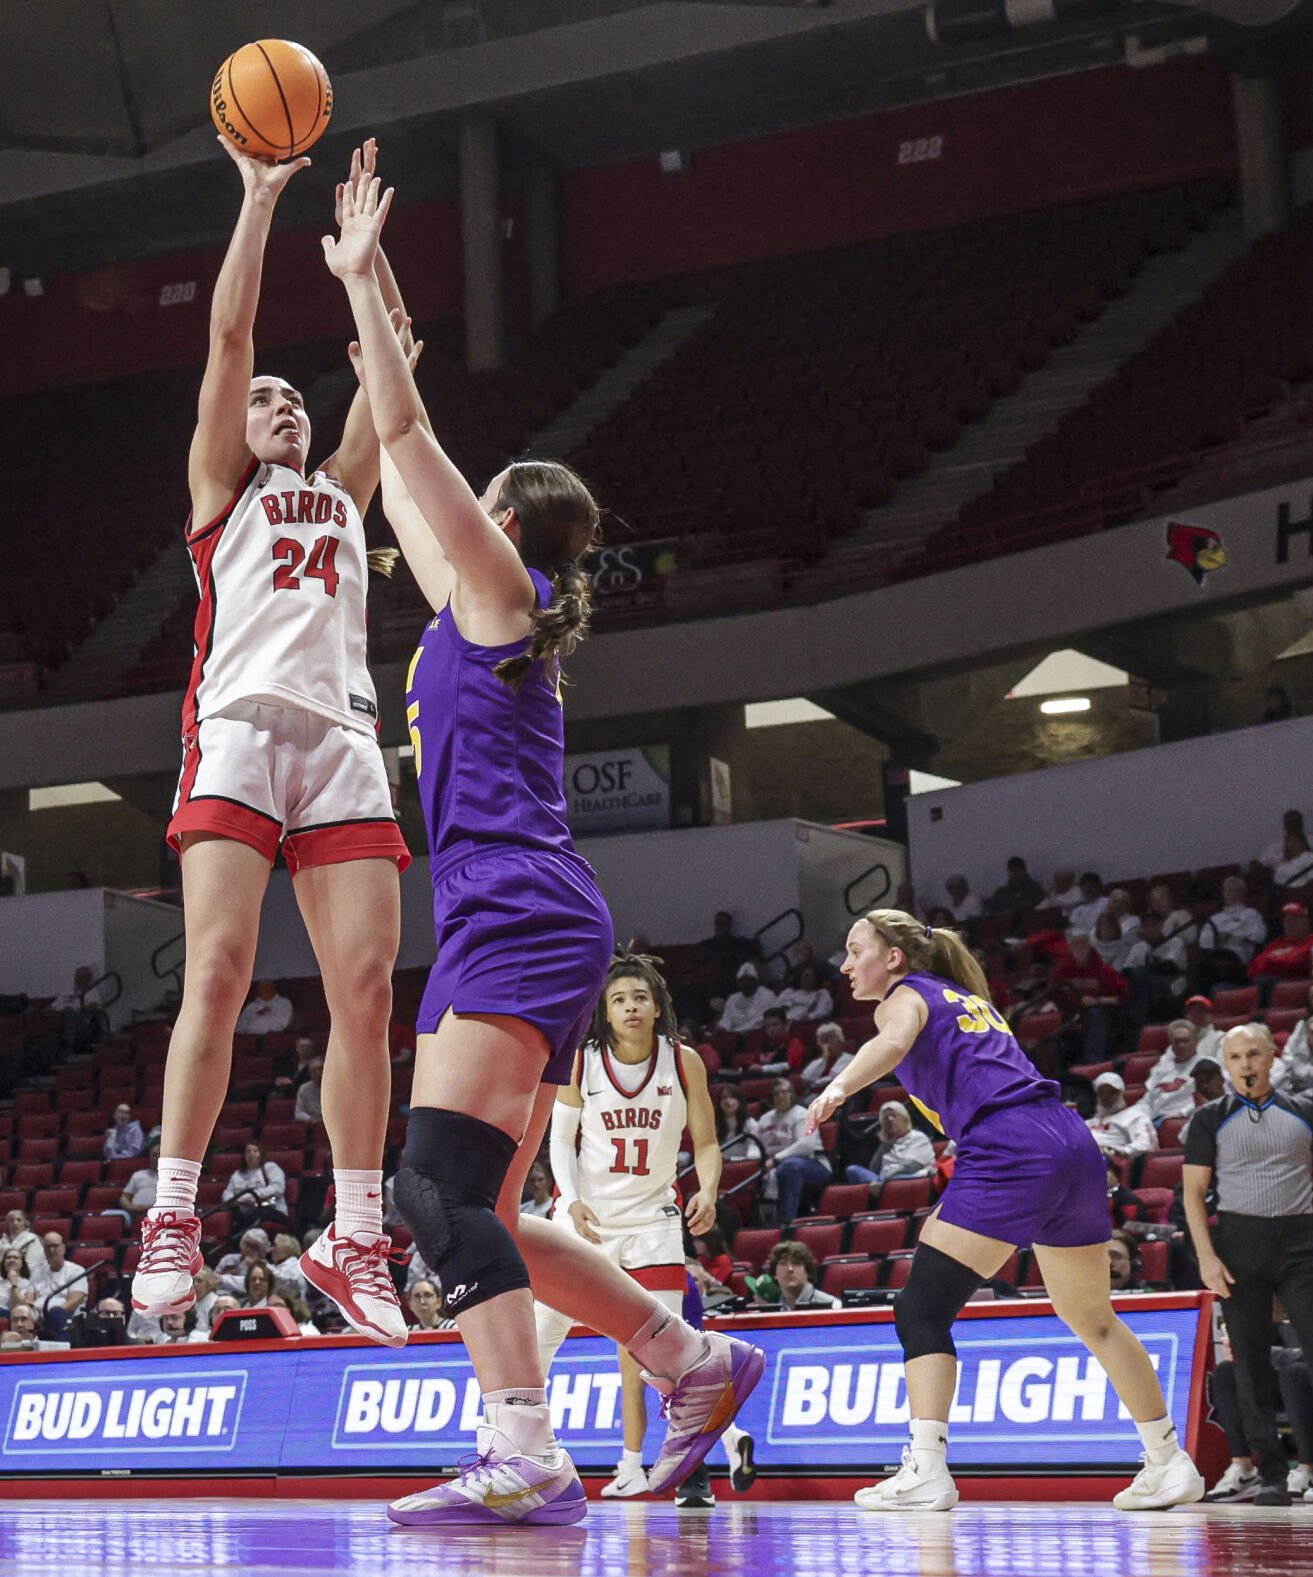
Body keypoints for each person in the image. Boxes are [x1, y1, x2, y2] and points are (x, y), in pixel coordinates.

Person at [323, 167, 762, 1526]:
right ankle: (691, 1359)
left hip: (516, 907)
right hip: (518, 910)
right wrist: (381, 296)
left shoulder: (504, 589)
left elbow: (411, 444)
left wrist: (365, 302)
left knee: (434, 1187)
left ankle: (529, 1450)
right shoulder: (476, 597)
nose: (456, 503)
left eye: (480, 495)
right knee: (486, 1212)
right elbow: (403, 460)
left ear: (506, 521)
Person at [130, 141, 411, 1349]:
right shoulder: (218, 490)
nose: (281, 403)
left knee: (364, 993)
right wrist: (258, 200)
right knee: (220, 973)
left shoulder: (346, 489)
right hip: (239, 727)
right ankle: (174, 1213)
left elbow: (395, 383)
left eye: (295, 399)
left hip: (341, 735)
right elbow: (231, 338)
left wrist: (365, 269)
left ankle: (354, 1232)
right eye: (267, 401)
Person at [805, 907, 1203, 1513]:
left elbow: (891, 1041)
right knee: (1092, 1317)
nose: (844, 962)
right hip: (1071, 1141)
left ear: (892, 957)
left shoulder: (904, 995)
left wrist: (837, 1087)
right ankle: (1168, 1459)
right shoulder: (961, 997)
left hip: (1011, 1145)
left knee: (921, 1311)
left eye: (855, 948)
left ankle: (927, 1468)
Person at [534, 951, 752, 1505]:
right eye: (618, 999)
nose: (630, 1007)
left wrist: (706, 1187)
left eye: (640, 997)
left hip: (654, 1220)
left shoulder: (683, 1062)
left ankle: (698, 1467)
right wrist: (573, 1199)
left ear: (657, 1007)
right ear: (604, 1012)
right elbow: (560, 1140)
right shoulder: (581, 1060)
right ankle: (521, 1457)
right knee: (536, 1343)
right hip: (586, 1222)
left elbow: (704, 1141)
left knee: (669, 1355)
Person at [1183, 1024, 1313, 1505]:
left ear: (1272, 1057)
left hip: (1303, 1242)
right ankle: (1272, 1475)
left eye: (1253, 1054)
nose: (1245, 1065)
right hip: (1239, 1246)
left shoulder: (1305, 1113)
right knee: (1250, 1365)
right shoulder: (1208, 1119)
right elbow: (1193, 1195)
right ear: (1226, 1063)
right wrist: (1206, 1257)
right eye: (1235, 1057)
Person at [1204, 1329, 1313, 1503]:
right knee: (1227, 1372)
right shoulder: (1265, 1310)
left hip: (1300, 1378)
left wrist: (1254, 1354)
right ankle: (1243, 1467)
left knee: (1295, 1373)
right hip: (1279, 1379)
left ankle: (1307, 1468)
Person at [754, 1077, 832, 1227]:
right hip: (773, 1164)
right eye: (776, 1093)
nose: (780, 1096)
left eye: (784, 1092)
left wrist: (777, 1159)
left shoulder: (803, 1114)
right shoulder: (765, 1119)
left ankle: (786, 1221)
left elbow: (805, 1145)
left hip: (813, 1163)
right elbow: (756, 1146)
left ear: (792, 1094)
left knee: (789, 1166)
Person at [845, 1101, 937, 1188]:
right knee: (852, 1170)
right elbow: (873, 1170)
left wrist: (888, 1174)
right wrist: (885, 1145)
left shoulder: (918, 1137)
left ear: (905, 1119)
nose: (890, 1119)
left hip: (910, 1179)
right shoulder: (887, 1144)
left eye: (894, 1115)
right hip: (885, 1182)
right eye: (886, 1118)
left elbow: (912, 1166)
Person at [1249, 902, 1313, 1010]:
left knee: (1264, 980)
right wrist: (1274, 963)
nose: (1289, 925)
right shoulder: (1278, 942)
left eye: (1294, 921)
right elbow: (1253, 967)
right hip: (1267, 982)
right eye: (1287, 921)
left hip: (1294, 983)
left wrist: (1270, 962)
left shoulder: (1310, 942)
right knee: (1222, 988)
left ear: (1306, 923)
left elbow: (1296, 964)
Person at [1139, 1023, 1206, 1123]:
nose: (1181, 1045)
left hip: (1182, 1120)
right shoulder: (1161, 1068)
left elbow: (1213, 1099)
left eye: (1185, 1041)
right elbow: (1147, 1100)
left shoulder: (1207, 1066)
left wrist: (1183, 1113)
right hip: (1154, 1120)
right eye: (1176, 1041)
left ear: (1196, 1042)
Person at [1085, 1072, 1158, 1160]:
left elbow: (1145, 1144)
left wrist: (1117, 1152)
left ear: (1121, 1094)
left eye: (1112, 1092)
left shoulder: (1135, 1116)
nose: (1106, 1097)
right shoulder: (1088, 1122)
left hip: (1110, 1161)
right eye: (1101, 1092)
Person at [30, 1232, 87, 1339]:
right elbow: (29, 1299)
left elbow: (73, 1301)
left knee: (56, 1312)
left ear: (63, 1249)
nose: (51, 1250)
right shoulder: (37, 1272)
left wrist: (48, 1316)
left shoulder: (76, 1270)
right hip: (37, 1317)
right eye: (48, 1247)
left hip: (64, 1317)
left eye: (55, 1246)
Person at [755, 1241, 841, 1311]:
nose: (790, 1269)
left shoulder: (832, 1306)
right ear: (775, 1274)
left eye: (796, 1263)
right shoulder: (770, 1309)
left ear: (808, 1273)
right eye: (783, 1263)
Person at [222, 1140, 289, 1224]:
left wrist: (256, 1195)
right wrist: (239, 1200)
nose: (251, 1154)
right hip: (245, 1212)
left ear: (261, 1154)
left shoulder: (270, 1167)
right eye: (248, 1152)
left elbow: (278, 1188)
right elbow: (227, 1193)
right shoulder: (238, 1174)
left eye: (255, 1151)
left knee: (252, 1216)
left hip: (272, 1210)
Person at [716, 965, 777, 1035]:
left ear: (756, 981)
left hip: (757, 1034)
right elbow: (727, 1020)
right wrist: (721, 1027)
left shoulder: (767, 995)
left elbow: (765, 1020)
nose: (746, 983)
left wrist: (743, 1029)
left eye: (749, 980)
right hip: (735, 1036)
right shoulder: (732, 999)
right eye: (742, 980)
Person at [1177, 1059, 1227, 1144]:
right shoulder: (1200, 1111)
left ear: (1222, 1080)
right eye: (1200, 1082)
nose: (1204, 1086)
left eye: (1208, 1080)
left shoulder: (1236, 1104)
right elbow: (1184, 1139)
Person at [800, 1022, 854, 1092]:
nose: (827, 1043)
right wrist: (823, 1060)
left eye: (831, 1038)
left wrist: (815, 1083)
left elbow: (835, 1079)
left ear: (840, 1040)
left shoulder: (850, 1059)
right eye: (823, 1039)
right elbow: (806, 1078)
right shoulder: (817, 1062)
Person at [755, 1006, 808, 1075]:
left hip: (781, 1077)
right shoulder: (764, 1044)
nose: (771, 1029)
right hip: (761, 1076)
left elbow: (792, 1065)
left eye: (775, 1025)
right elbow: (752, 1063)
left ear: (785, 1025)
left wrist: (763, 1068)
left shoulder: (794, 1042)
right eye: (767, 1026)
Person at [117, 1146, 161, 1225]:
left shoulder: (170, 1177)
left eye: (160, 1155)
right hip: (136, 1215)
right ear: (150, 1158)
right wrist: (133, 1208)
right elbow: (124, 1197)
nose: (157, 1158)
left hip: (160, 1215)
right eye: (154, 1155)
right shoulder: (138, 1175)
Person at [0, 1209, 45, 1280]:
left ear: (25, 1223)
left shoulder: (32, 1240)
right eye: (12, 1220)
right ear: (7, 1224)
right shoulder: (2, 1242)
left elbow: (33, 1265)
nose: (15, 1223)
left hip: (26, 1280)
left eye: (19, 1220)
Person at [715, 1088, 758, 1161]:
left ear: (739, 1101)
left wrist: (730, 1159)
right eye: (723, 1098)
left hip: (744, 1165)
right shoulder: (715, 1126)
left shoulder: (750, 1123)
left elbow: (754, 1153)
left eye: (731, 1097)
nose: (727, 1101)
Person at [1184, 996, 1224, 1062]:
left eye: (1201, 1011)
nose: (1196, 1015)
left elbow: (1221, 1066)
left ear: (1211, 1016)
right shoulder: (1180, 1040)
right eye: (1192, 1012)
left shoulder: (1220, 1038)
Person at [293, 1057, 325, 1124]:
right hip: (313, 1124)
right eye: (314, 1070)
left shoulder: (335, 1088)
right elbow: (298, 1113)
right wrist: (310, 1119)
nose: (318, 1073)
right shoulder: (304, 1089)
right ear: (310, 1074)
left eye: (321, 1069)